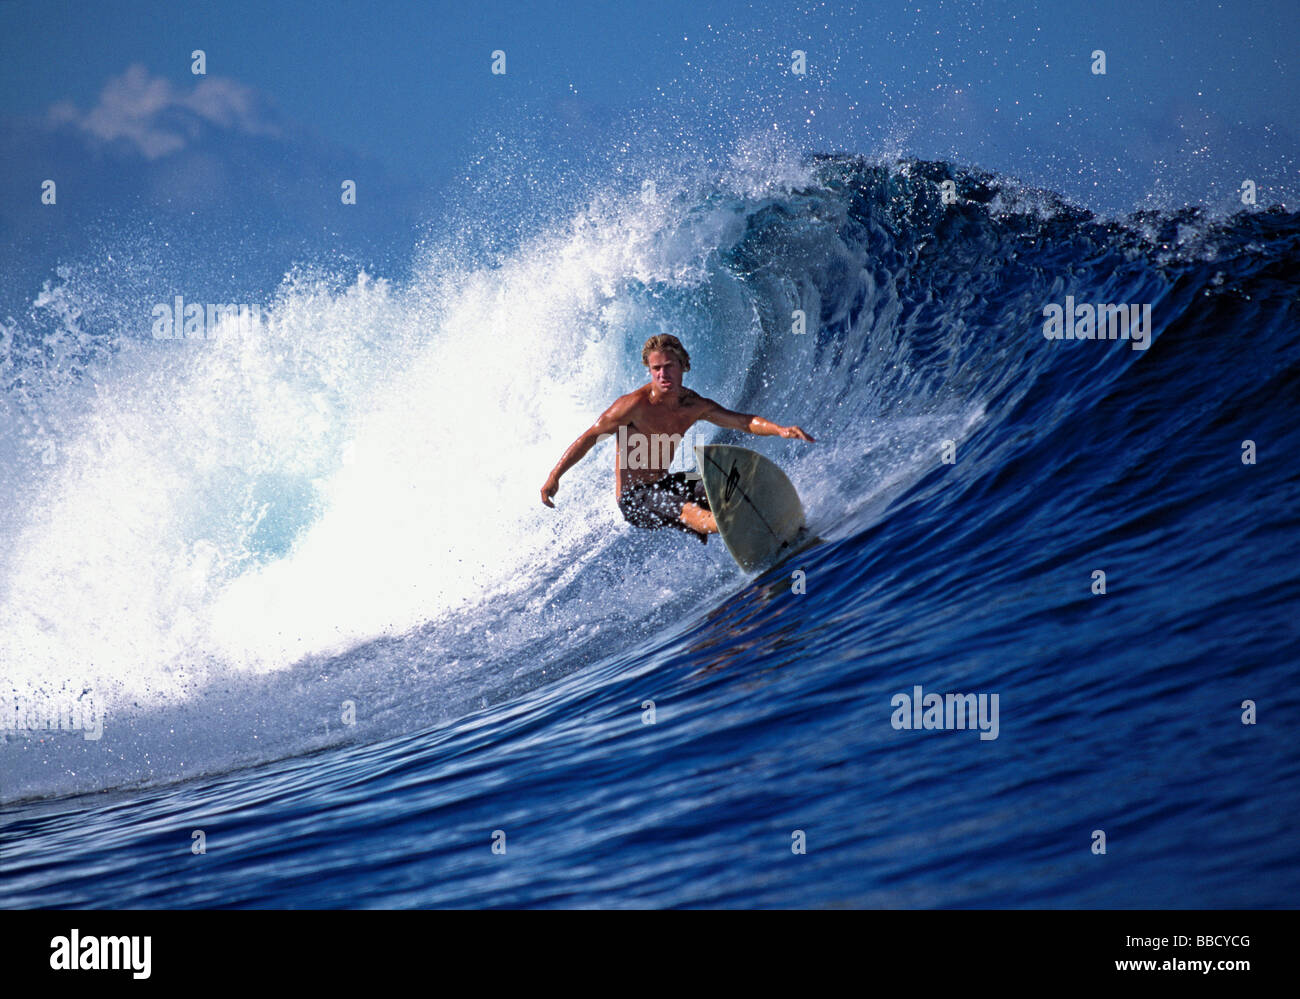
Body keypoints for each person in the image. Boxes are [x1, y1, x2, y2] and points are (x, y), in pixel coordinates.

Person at [540, 334, 814, 542]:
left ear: (683, 365)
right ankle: (728, 524)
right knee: (687, 510)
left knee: (722, 482)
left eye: (669, 366)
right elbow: (589, 438)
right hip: (635, 498)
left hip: (666, 483)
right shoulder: (633, 406)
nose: (662, 374)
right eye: (656, 368)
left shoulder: (693, 405)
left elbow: (742, 421)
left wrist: (779, 429)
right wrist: (555, 476)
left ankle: (772, 522)